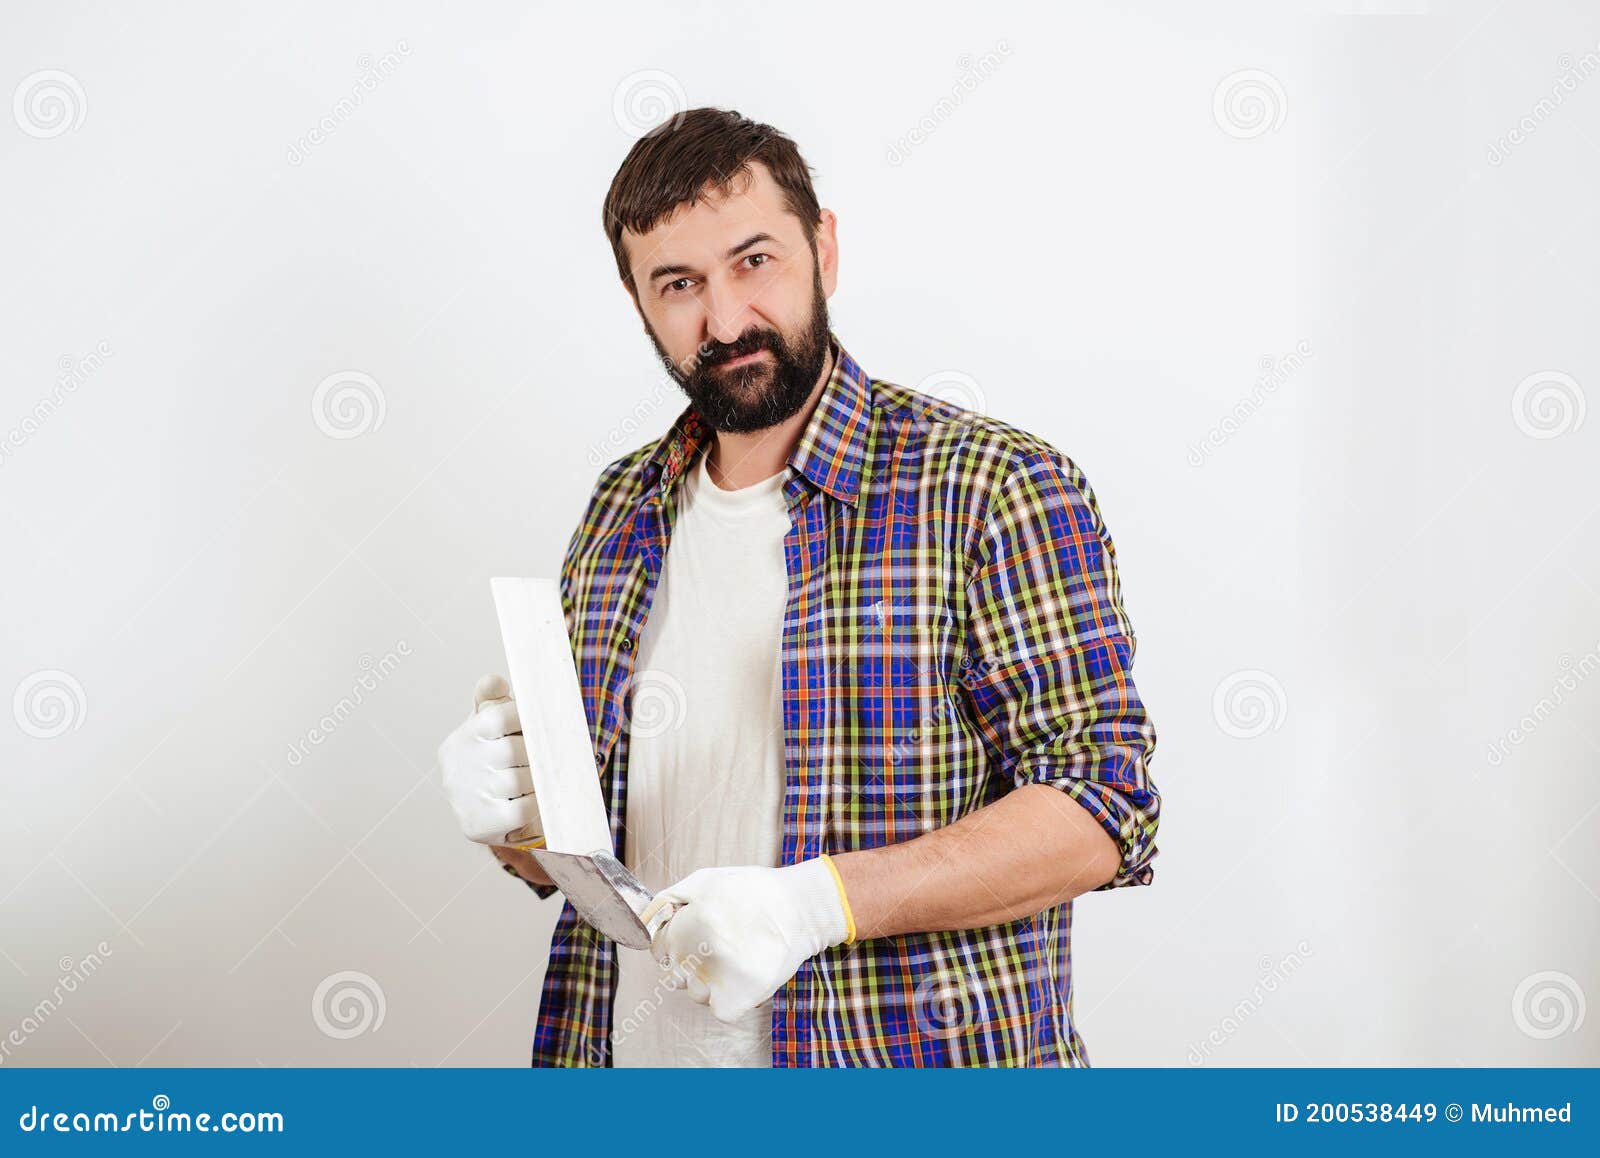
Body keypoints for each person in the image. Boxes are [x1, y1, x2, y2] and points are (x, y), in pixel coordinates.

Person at [438, 107, 1160, 1067]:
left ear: (823, 248)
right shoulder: (620, 507)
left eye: (754, 261)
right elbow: (597, 845)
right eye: (680, 284)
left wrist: (818, 905)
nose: (727, 320)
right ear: (639, 302)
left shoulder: (993, 487)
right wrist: (515, 822)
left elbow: (1103, 807)